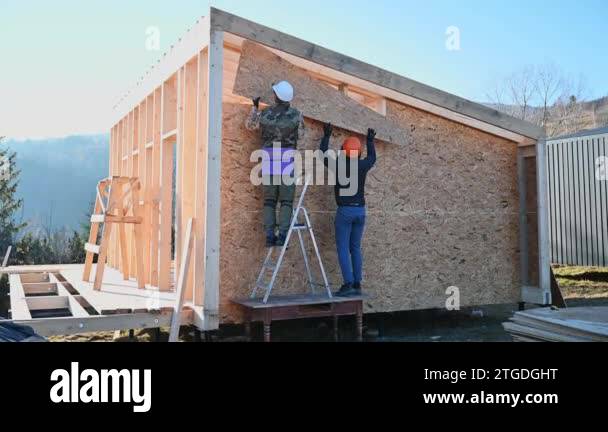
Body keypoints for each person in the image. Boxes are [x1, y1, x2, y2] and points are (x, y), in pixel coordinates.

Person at [246, 81, 306, 247]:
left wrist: (255, 108)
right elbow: (301, 135)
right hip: (287, 158)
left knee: (269, 201)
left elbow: (249, 125)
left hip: (269, 158)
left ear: (276, 96)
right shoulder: (296, 115)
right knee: (286, 202)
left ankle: (270, 236)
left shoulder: (265, 114)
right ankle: (283, 236)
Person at [320, 123, 377, 297]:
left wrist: (327, 135)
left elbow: (322, 153)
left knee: (343, 248)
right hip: (360, 211)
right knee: (355, 248)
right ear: (359, 153)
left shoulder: (338, 165)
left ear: (344, 152)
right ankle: (358, 283)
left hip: (345, 212)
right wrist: (369, 140)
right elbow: (372, 158)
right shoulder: (362, 165)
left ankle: (348, 283)